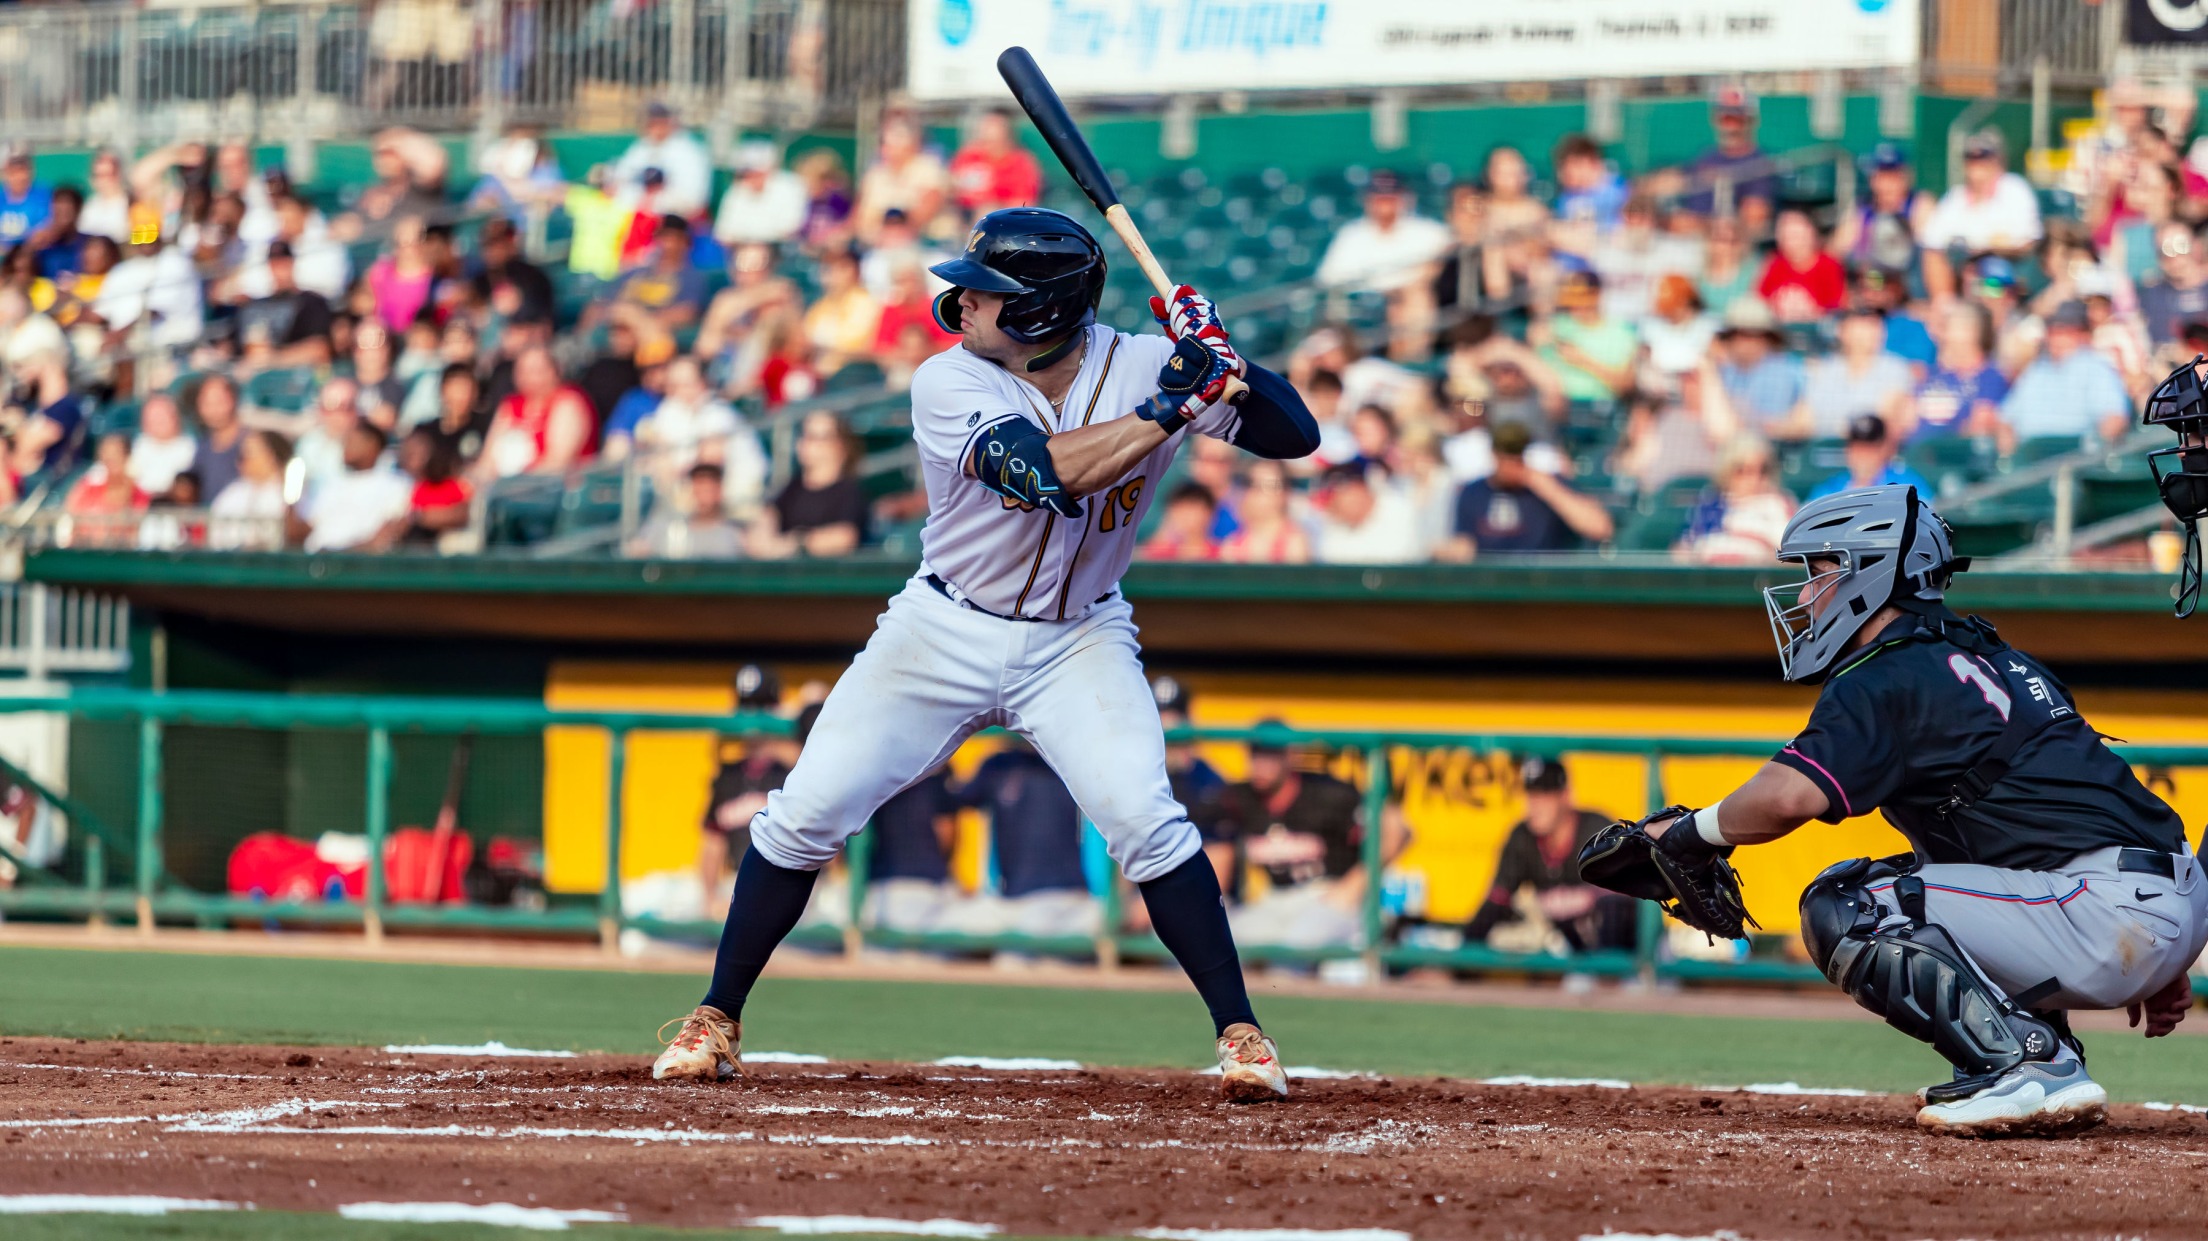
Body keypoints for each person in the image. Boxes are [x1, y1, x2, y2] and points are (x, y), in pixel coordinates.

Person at [648, 206, 1319, 1101]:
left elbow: (1295, 434)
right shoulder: (946, 381)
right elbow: (1046, 475)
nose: (962, 302)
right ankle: (716, 1017)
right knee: (805, 810)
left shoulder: (1148, 363)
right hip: (942, 626)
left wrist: (1232, 365)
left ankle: (1243, 1036)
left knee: (1145, 818)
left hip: (1079, 633)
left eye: (989, 292)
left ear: (1043, 312)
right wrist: (1177, 402)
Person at [1592, 486, 2202, 1135]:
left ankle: (2028, 1067)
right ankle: (2040, 1056)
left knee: (1850, 904)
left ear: (1871, 572)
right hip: (2149, 895)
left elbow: (1789, 796)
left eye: (1818, 574)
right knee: (1922, 875)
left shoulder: (1889, 672)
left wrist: (1692, 831)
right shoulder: (1981, 650)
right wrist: (2163, 952)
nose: (1803, 596)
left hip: (2108, 909)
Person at [1212, 727, 1409, 951]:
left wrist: (1351, 889)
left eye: (1271, 755)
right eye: (1256, 754)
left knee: (1297, 948)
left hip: (1331, 897)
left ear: (1291, 755)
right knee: (1222, 943)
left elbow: (1398, 831)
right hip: (1277, 901)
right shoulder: (1241, 796)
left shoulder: (1327, 793)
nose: (1261, 763)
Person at [1464, 758, 1636, 954]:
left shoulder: (1597, 829)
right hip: (1567, 952)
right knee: (1515, 925)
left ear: (1565, 796)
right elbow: (1495, 903)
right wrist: (1454, 965)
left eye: (1544, 795)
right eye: (1530, 795)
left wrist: (1585, 898)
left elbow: (1624, 903)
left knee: (1611, 908)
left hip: (1626, 955)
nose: (1534, 805)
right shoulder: (1522, 837)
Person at [937, 737, 1100, 941]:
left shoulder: (1072, 761)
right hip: (1021, 902)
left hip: (1065, 901)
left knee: (1014, 955)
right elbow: (951, 800)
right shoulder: (999, 764)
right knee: (953, 925)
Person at [696, 665, 793, 911]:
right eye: (747, 706)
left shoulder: (797, 769)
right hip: (740, 884)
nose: (753, 716)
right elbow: (712, 843)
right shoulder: (728, 776)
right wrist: (709, 899)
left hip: (796, 888)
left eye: (762, 706)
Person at [1442, 422, 1614, 559]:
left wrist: (1546, 488)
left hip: (1543, 583)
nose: (1510, 466)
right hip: (1490, 585)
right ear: (1494, 455)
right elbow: (1463, 544)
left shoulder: (1547, 484)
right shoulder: (1474, 492)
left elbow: (1600, 528)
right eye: (1504, 458)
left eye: (1516, 458)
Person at [1922, 130, 2045, 298]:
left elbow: (2027, 242)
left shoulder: (2015, 189)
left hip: (2005, 273)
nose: (1977, 167)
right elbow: (1933, 243)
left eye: (1983, 159)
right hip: (1964, 274)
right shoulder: (1955, 197)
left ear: (1998, 161)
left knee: (1988, 273)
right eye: (1972, 160)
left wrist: (1983, 250)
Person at [2000, 301, 2132, 447]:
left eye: (2066, 332)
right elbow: (2006, 419)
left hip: (2074, 454)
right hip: (2031, 455)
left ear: (2084, 335)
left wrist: (2092, 451)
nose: (2057, 338)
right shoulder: (2036, 371)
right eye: (2053, 331)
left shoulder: (2096, 369)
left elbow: (2114, 419)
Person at [858, 763, 959, 935]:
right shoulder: (934, 774)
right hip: (924, 887)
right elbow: (945, 831)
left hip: (879, 890)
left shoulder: (875, 775)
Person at [1314, 169, 1451, 295]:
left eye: (1391, 195)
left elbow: (1453, 255)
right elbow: (1327, 280)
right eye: (1379, 196)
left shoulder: (1431, 232)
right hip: (1364, 311)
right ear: (1368, 199)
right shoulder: (1351, 235)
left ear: (1405, 198)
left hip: (1413, 309)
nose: (1385, 202)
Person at [1788, 305, 1914, 440]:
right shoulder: (1826, 369)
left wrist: (1826, 427)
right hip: (1824, 452)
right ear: (1843, 331)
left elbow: (1878, 423)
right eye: (1865, 324)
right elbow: (1801, 420)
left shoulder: (1895, 368)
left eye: (1877, 324)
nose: (1875, 331)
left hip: (1868, 451)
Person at [752, 411, 867, 558]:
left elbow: (845, 537)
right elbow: (767, 517)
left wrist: (797, 543)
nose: (804, 443)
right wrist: (765, 541)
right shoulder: (793, 488)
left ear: (840, 445)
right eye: (804, 435)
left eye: (815, 437)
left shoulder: (848, 492)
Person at [475, 346, 595, 480]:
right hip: (506, 487)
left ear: (555, 371)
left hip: (551, 489)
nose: (528, 377)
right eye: (522, 370)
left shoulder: (568, 402)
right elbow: (487, 460)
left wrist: (511, 486)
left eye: (536, 370)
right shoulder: (510, 405)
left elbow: (557, 463)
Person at [1675, 433, 1795, 565]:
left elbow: (1796, 558)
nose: (1755, 479)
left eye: (1763, 470)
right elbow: (1681, 552)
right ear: (1727, 471)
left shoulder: (1780, 505)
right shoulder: (1710, 505)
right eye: (1743, 470)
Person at [298, 423, 413, 552]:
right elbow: (303, 530)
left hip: (359, 565)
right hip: (314, 562)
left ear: (372, 445)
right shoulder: (331, 485)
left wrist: (340, 555)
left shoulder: (397, 485)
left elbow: (386, 537)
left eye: (352, 441)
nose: (345, 446)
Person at [1833, 144, 1932, 276]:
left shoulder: (1919, 205)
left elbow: (1929, 255)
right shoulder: (1863, 209)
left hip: (1907, 286)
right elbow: (1835, 251)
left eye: (1892, 176)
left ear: (1905, 177)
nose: (1885, 184)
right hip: (1870, 282)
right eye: (1880, 176)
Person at [1714, 298, 1805, 434]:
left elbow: (1771, 426)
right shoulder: (1725, 369)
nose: (1743, 342)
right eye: (1736, 334)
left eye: (1751, 334)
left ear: (1767, 337)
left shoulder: (1780, 370)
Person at [612, 102, 714, 220]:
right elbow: (620, 180)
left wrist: (654, 198)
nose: (656, 128)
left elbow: (693, 200)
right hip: (639, 215)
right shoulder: (641, 147)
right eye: (652, 123)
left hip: (676, 220)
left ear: (670, 122)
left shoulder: (687, 150)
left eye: (661, 122)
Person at [631, 462, 746, 560]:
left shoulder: (735, 535)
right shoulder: (671, 527)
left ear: (719, 491)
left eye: (708, 489)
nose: (702, 496)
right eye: (699, 487)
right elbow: (638, 549)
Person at [1312, 462, 1421, 564]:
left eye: (1335, 500)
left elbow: (1394, 560)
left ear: (1357, 490)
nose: (1331, 508)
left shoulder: (1398, 511)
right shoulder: (1334, 525)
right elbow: (1331, 558)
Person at [1809, 414, 1935, 500]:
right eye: (1858, 449)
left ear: (1884, 449)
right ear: (1848, 451)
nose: (1863, 457)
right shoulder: (1834, 485)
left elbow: (1926, 513)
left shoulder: (1906, 483)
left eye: (1870, 449)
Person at [1756, 211, 1847, 324]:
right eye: (1785, 235)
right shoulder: (1774, 263)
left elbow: (1837, 309)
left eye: (1796, 235)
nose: (1791, 242)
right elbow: (1758, 301)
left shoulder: (1829, 266)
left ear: (1812, 234)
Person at [949, 109, 1044, 217]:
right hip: (962, 214)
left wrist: (992, 206)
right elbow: (952, 187)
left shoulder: (1022, 163)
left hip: (999, 219)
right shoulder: (969, 156)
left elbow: (1023, 204)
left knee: (987, 213)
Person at [714, 142, 809, 248]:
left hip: (783, 251)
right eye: (744, 173)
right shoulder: (737, 191)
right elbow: (724, 233)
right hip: (743, 252)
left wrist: (752, 239)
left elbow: (790, 228)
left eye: (752, 172)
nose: (748, 178)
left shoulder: (790, 185)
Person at [208, 429, 290, 550]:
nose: (240, 462)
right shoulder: (234, 491)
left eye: (247, 455)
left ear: (270, 456)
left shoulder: (289, 492)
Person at [1217, 459, 1311, 564]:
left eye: (1265, 485)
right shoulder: (1232, 546)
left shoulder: (1294, 544)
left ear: (1284, 493)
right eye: (1250, 483)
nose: (1254, 492)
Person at [127, 392, 198, 496]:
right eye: (151, 417)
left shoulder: (189, 448)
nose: (157, 421)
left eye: (161, 416)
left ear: (175, 418)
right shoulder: (139, 445)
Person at [1140, 481, 1220, 561]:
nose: (1188, 517)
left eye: (1192, 508)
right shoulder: (1162, 553)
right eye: (1181, 509)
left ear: (1209, 512)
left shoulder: (1221, 554)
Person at [0, 149, 52, 251]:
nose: (19, 177)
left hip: (33, 256)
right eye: (14, 171)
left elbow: (43, 234)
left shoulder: (44, 196)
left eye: (23, 170)